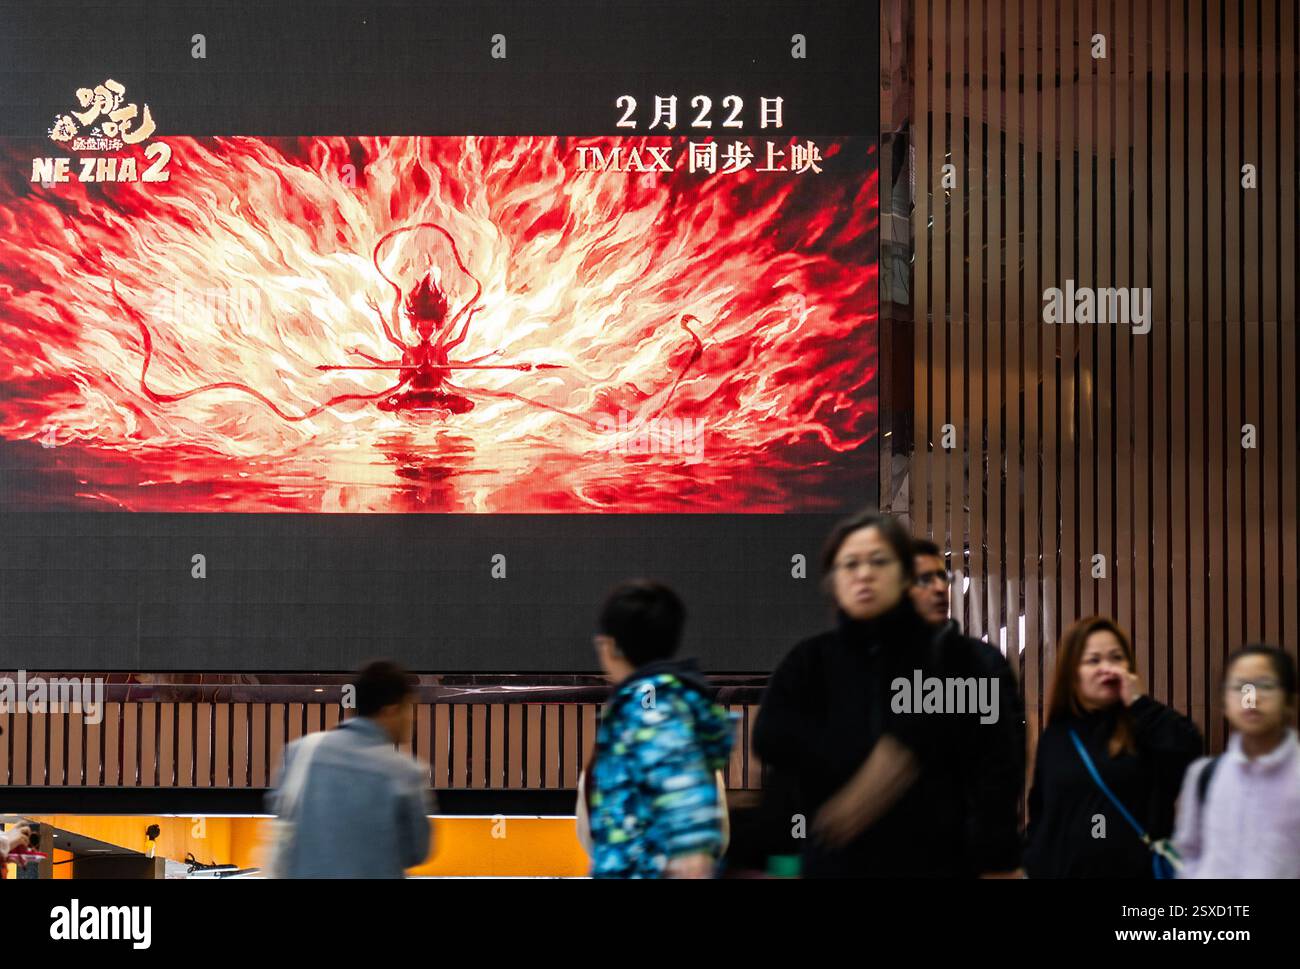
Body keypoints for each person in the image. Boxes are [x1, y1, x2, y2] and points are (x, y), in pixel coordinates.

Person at [752, 511, 966, 877]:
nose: (864, 574)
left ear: (901, 576)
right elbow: (771, 738)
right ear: (833, 582)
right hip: (830, 861)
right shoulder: (809, 659)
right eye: (850, 564)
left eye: (878, 562)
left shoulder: (943, 662)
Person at [1023, 616, 1201, 878]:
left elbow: (1189, 749)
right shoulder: (1057, 736)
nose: (1108, 668)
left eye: (1116, 658)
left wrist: (1139, 703)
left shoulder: (1144, 724)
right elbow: (1043, 816)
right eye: (1093, 660)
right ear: (1073, 674)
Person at [585, 581, 734, 878]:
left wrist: (692, 853)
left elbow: (678, 777)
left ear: (610, 645)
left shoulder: (649, 705)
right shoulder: (669, 699)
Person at [910, 537, 1025, 877]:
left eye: (940, 577)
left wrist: (997, 858)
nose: (938, 588)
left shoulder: (985, 664)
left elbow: (1005, 769)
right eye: (923, 580)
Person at [266, 660, 433, 878]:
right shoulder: (404, 772)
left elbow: (282, 823)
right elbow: (416, 853)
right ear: (391, 710)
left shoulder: (300, 753)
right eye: (410, 709)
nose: (413, 718)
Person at [1172, 644, 1300, 878]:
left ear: (1289, 702)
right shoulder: (1204, 775)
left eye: (1265, 685)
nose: (1251, 697)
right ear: (1224, 703)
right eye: (1241, 687)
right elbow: (1189, 853)